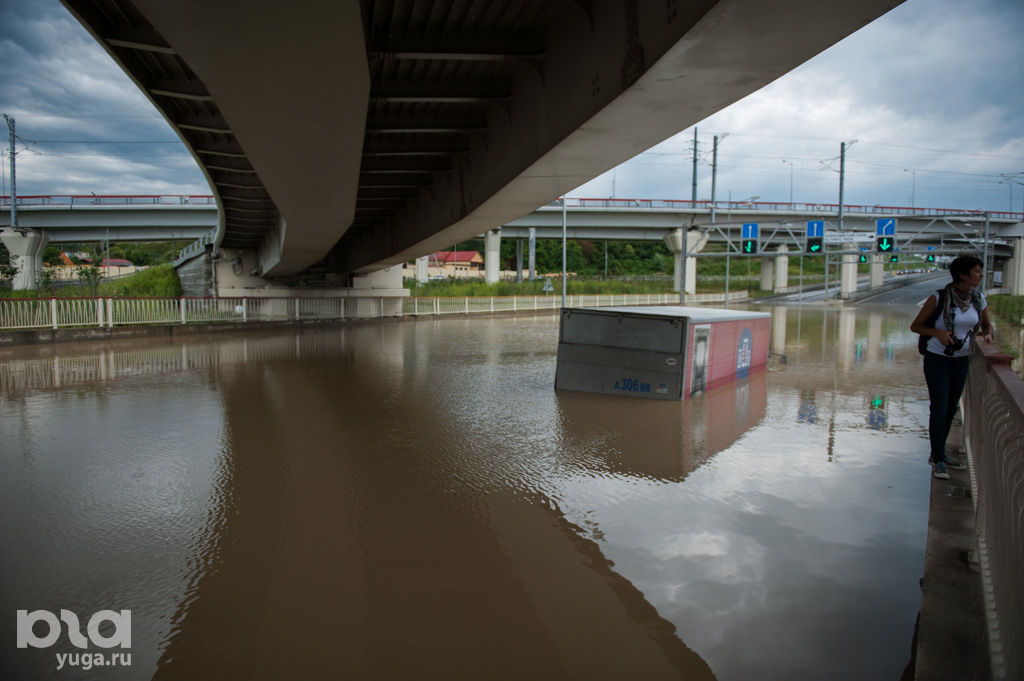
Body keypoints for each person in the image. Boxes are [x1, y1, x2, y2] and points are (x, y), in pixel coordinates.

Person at [910, 255, 993, 480]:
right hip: (937, 359)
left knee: (951, 408)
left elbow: (987, 327)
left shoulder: (979, 299)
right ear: (963, 275)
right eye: (977, 271)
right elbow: (915, 326)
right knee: (940, 407)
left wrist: (988, 337)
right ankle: (938, 459)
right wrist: (937, 332)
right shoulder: (938, 298)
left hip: (962, 360)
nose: (980, 274)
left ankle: (940, 455)